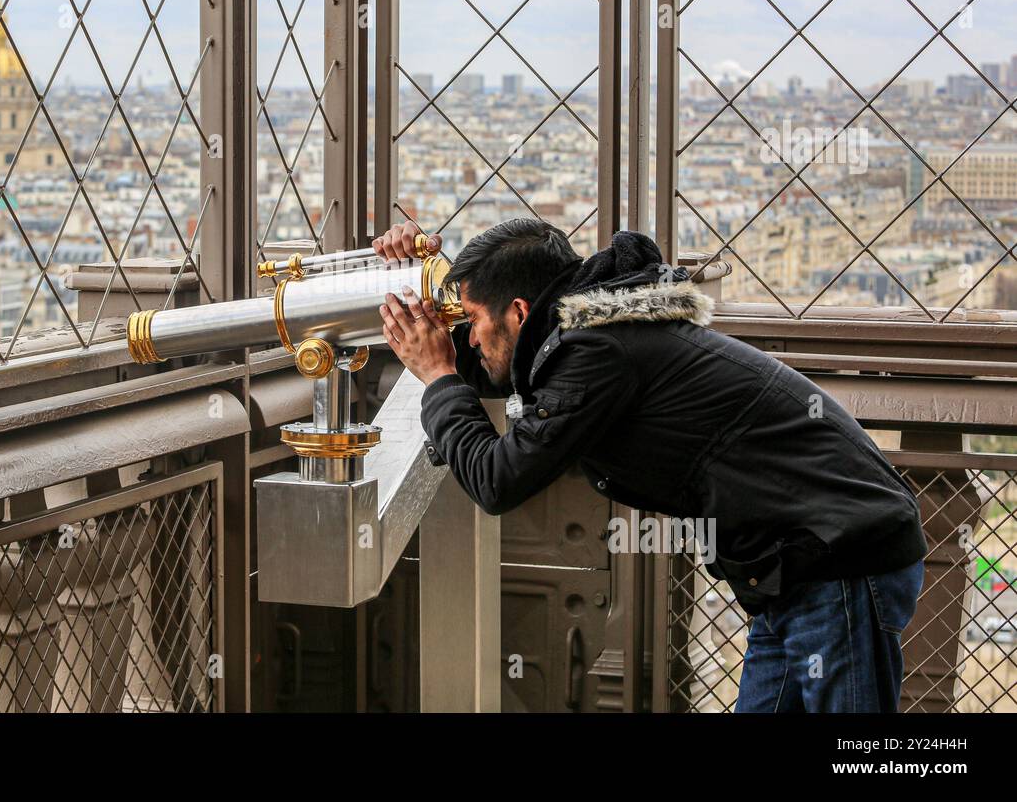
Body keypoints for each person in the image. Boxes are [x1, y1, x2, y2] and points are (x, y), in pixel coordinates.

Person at [373, 216, 927, 713]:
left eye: (469, 319)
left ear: (519, 310)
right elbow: (502, 365)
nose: (467, 336)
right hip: (797, 565)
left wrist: (440, 376)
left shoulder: (595, 351)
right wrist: (416, 286)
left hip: (838, 555)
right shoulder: (597, 327)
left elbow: (498, 479)